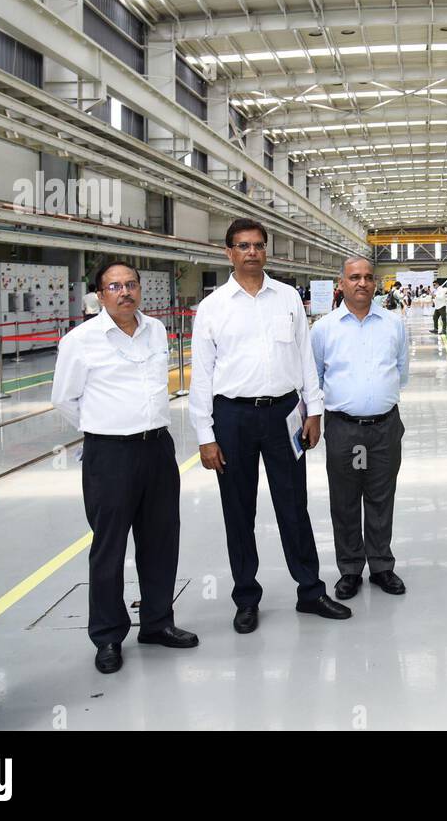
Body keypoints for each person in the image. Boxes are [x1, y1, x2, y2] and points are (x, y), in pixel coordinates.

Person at [189, 218, 351, 632]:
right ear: (229, 253)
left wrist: (314, 411)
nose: (252, 252)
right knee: (238, 510)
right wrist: (206, 437)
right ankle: (246, 598)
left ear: (266, 250)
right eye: (243, 246)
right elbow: (202, 377)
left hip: (284, 413)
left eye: (258, 245)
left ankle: (310, 591)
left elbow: (304, 360)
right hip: (233, 416)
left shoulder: (288, 299)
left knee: (293, 504)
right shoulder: (212, 308)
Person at [52, 260, 199, 675]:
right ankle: (108, 636)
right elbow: (65, 399)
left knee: (160, 540)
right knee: (109, 548)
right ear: (101, 295)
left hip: (158, 449)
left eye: (131, 284)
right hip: (110, 454)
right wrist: (106, 426)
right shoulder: (81, 341)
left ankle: (156, 622)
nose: (124, 292)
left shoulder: (155, 330)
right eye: (114, 286)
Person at [312, 256, 408, 601]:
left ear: (376, 283)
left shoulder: (394, 324)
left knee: (382, 497)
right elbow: (316, 378)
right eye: (354, 277)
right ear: (342, 283)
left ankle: (381, 565)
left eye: (368, 277)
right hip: (345, 430)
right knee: (346, 499)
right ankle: (350, 568)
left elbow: (401, 370)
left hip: (384, 428)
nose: (362, 283)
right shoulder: (324, 329)